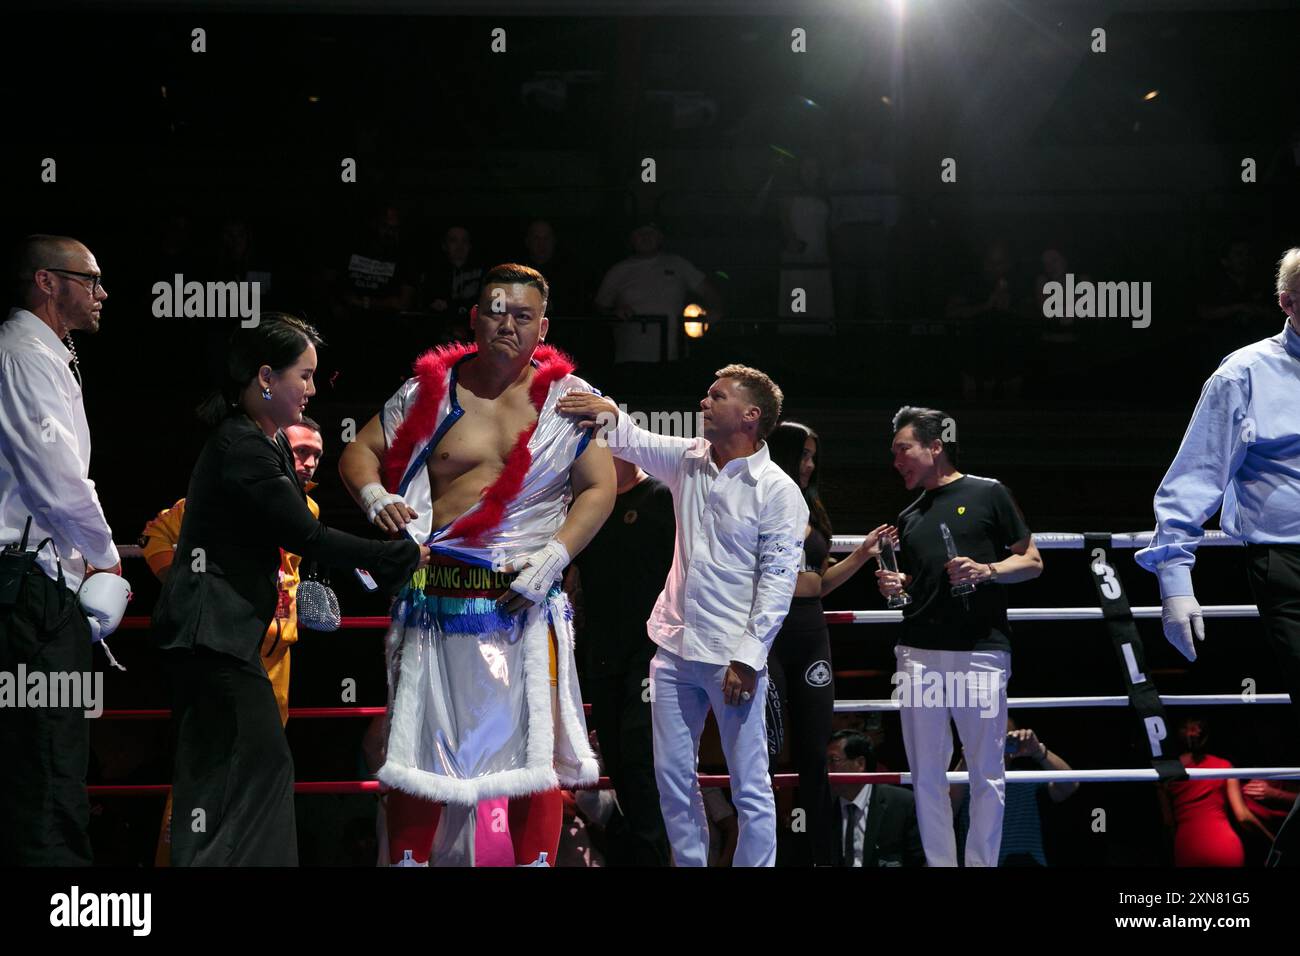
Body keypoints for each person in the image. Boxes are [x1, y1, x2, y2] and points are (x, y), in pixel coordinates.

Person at [338, 263, 615, 867]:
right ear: (474, 318)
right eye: (496, 311)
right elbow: (359, 450)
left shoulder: (570, 401)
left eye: (522, 316)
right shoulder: (427, 392)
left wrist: (555, 556)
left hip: (525, 598)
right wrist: (376, 496)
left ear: (543, 326)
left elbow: (600, 487)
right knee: (416, 748)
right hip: (437, 592)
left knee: (534, 751)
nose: (507, 326)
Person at [153, 314, 426, 866]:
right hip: (214, 637)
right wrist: (398, 554)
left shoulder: (262, 444)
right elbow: (305, 534)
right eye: (304, 375)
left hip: (223, 638)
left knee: (241, 769)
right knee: (251, 768)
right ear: (265, 377)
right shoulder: (243, 447)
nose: (311, 388)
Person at [558, 364, 808, 867]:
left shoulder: (778, 492)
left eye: (716, 396)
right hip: (672, 651)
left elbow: (779, 583)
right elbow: (631, 436)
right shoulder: (688, 460)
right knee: (671, 781)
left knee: (750, 785)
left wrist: (749, 656)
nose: (704, 403)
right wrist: (575, 390)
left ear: (750, 415)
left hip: (732, 658)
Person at [1135, 247, 1300, 867]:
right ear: (1288, 304)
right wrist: (1175, 579)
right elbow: (1193, 480)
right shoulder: (1243, 375)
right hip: (1284, 563)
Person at [141, 415, 326, 865]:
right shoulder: (225, 494)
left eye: (317, 456)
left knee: (259, 778)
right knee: (207, 771)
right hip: (227, 650)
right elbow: (153, 535)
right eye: (301, 452)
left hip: (278, 660)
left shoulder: (309, 509)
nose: (309, 464)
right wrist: (188, 587)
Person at [877, 406, 1043, 866]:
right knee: (927, 774)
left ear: (935, 447)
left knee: (986, 771)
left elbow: (1032, 561)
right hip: (918, 652)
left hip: (980, 652)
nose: (897, 462)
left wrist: (987, 569)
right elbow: (921, 585)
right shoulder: (909, 516)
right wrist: (898, 584)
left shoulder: (989, 494)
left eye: (902, 449)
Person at [0, 235, 120, 865]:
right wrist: (105, 556)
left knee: (40, 762)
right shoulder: (23, 355)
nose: (101, 293)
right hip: (29, 590)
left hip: (35, 584)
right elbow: (57, 478)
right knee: (48, 763)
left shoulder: (46, 354)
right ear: (47, 282)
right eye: (90, 279)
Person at [766, 421, 894, 865]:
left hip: (809, 633)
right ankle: (769, 856)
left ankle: (825, 859)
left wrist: (862, 554)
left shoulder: (810, 506)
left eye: (812, 457)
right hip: (767, 633)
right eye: (803, 454)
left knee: (815, 754)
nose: (809, 464)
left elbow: (815, 584)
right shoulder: (758, 495)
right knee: (764, 753)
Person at [569, 455, 675, 865]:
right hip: (601, 651)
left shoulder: (661, 497)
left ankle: (653, 856)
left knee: (640, 758)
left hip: (652, 650)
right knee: (614, 759)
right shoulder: (587, 503)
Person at [952, 716, 1079, 866]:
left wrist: (1039, 751)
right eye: (991, 740)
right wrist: (967, 760)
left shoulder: (1025, 779)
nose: (997, 747)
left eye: (1004, 740)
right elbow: (945, 810)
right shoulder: (967, 781)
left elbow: (1070, 785)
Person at [593, 221, 725, 365]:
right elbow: (600, 307)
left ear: (660, 238)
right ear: (631, 239)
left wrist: (714, 312)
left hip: (673, 355)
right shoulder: (618, 270)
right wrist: (615, 312)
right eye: (640, 233)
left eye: (651, 233)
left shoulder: (678, 264)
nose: (646, 237)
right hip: (630, 355)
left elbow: (709, 292)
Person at [1157, 717, 1270, 867]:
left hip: (1188, 846)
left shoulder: (1164, 772)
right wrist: (1273, 839)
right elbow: (1243, 817)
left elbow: (1168, 823)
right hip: (1224, 844)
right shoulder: (1223, 766)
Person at [826, 730, 923, 867]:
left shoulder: (901, 803)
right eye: (825, 762)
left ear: (860, 764)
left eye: (833, 761)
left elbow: (919, 860)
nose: (827, 770)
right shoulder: (823, 808)